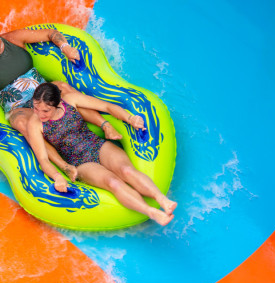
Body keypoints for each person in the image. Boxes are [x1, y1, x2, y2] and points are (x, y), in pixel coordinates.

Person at [0, 12, 122, 164]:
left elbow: (50, 33)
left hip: (43, 91)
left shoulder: (14, 38)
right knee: (21, 122)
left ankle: (105, 125)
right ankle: (63, 166)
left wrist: (66, 48)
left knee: (61, 87)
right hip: (18, 106)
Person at [28, 82, 178, 226]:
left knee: (126, 171)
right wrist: (58, 176)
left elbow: (106, 106)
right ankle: (151, 212)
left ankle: (162, 200)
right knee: (113, 182)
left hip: (97, 145)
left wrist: (130, 118)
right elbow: (43, 158)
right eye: (35, 108)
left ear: (58, 103)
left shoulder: (70, 101)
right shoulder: (35, 124)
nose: (40, 114)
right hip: (80, 162)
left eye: (45, 111)